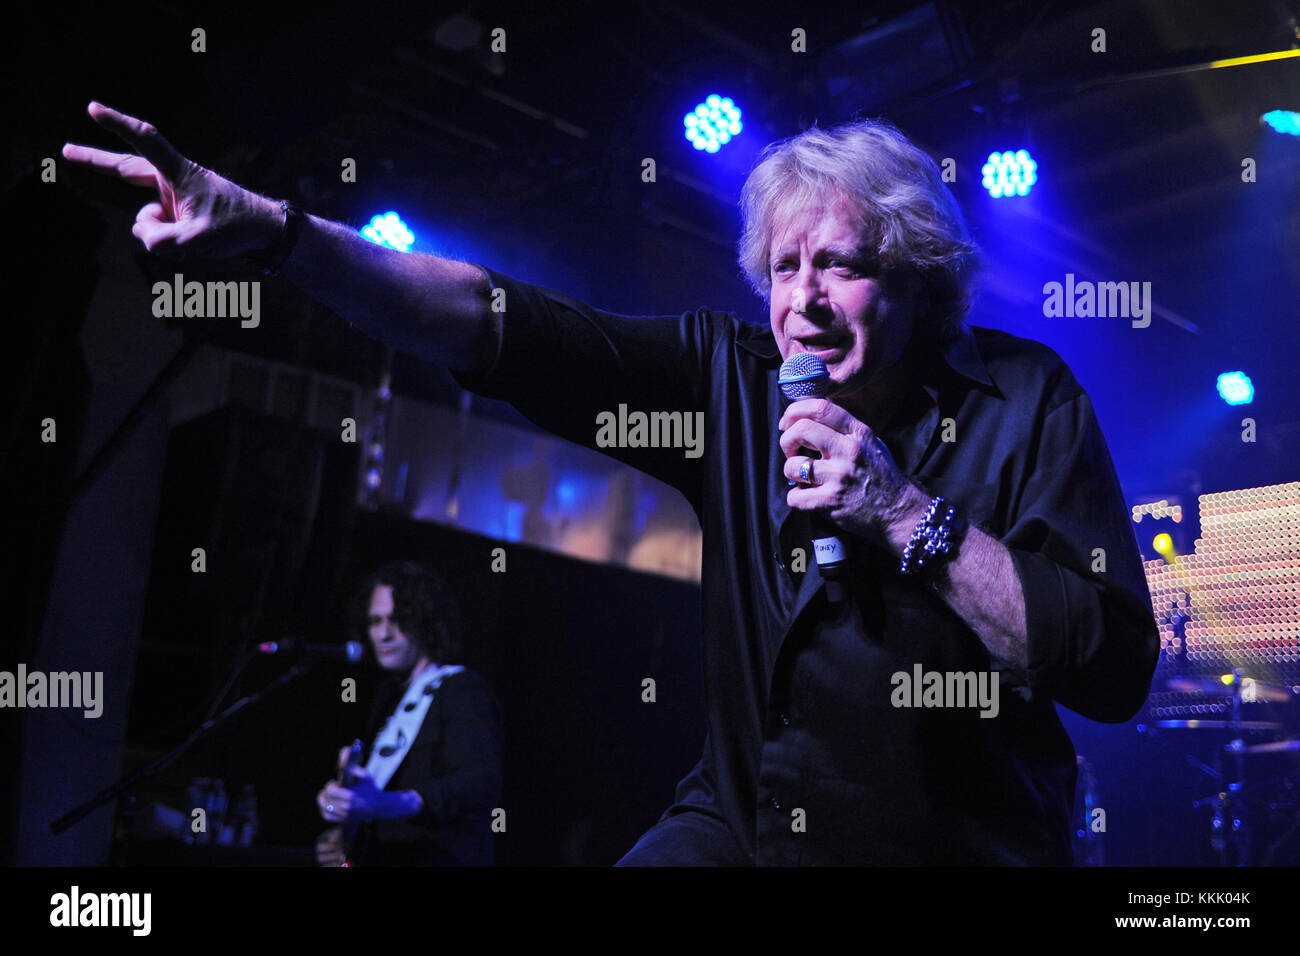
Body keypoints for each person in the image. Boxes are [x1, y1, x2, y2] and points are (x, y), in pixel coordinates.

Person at [64, 103, 1159, 865]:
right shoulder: (724, 380)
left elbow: (1106, 661)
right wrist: (279, 234)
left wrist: (900, 510)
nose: (805, 298)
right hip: (743, 830)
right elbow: (490, 319)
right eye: (784, 267)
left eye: (842, 264)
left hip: (954, 850)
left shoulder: (1026, 397)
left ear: (919, 284)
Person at [314, 561, 502, 866]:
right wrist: (346, 834)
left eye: (397, 620)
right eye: (374, 621)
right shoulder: (387, 698)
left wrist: (394, 803)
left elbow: (479, 784)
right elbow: (378, 804)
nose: (382, 634)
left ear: (425, 623)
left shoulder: (462, 689)